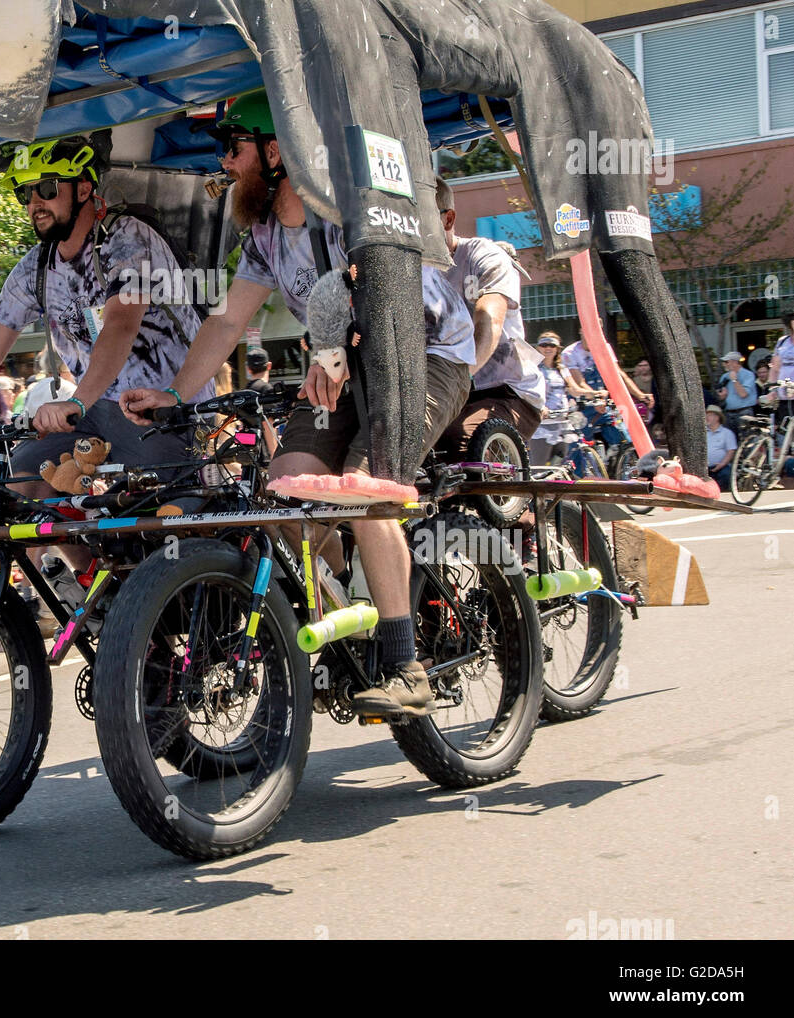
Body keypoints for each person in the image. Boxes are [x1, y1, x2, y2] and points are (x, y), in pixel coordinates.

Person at [122, 89, 474, 721]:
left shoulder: (345, 211)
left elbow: (369, 284)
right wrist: (176, 392)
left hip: (424, 354)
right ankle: (347, 618)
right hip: (337, 365)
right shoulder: (262, 237)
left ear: (277, 152)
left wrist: (334, 346)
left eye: (234, 149)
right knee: (285, 491)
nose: (225, 165)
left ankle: (405, 666)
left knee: (368, 489)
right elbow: (228, 320)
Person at [0, 135, 210, 582]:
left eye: (47, 188)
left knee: (163, 537)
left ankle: (153, 602)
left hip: (166, 412)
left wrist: (77, 402)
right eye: (24, 193)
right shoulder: (37, 267)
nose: (35, 203)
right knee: (20, 494)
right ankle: (98, 585)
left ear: (84, 188)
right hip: (93, 412)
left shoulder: (128, 239)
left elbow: (120, 325)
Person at [436, 179, 545, 445]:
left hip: (508, 391)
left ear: (448, 219)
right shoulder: (415, 272)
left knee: (457, 441)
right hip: (453, 394)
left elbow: (490, 321)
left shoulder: (483, 256)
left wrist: (457, 378)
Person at [529, 333, 579, 466]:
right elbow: (528, 392)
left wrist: (595, 393)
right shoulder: (533, 368)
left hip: (561, 423)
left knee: (558, 464)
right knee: (539, 467)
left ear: (557, 348)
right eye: (544, 345)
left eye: (552, 345)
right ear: (538, 348)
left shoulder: (561, 369)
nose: (548, 348)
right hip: (543, 425)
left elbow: (574, 389)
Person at [714, 351, 757, 435]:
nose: (724, 364)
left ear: (735, 362)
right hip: (728, 413)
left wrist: (734, 380)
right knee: (730, 440)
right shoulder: (725, 376)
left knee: (745, 440)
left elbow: (743, 394)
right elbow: (721, 397)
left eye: (727, 362)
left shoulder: (748, 375)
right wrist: (722, 396)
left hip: (744, 412)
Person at [704, 406, 737, 491]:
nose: (706, 417)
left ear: (717, 417)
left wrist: (722, 464)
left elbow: (731, 451)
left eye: (710, 415)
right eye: (706, 415)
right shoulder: (703, 433)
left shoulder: (727, 433)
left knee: (726, 473)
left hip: (721, 466)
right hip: (704, 467)